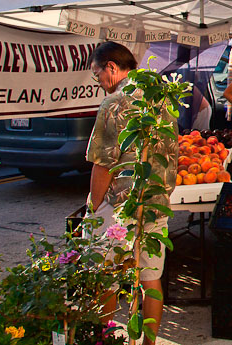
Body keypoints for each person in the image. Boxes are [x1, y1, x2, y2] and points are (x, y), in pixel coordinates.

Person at [85, 42, 178, 344]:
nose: (98, 81)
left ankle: (106, 339)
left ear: (111, 67)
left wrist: (93, 206)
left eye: (97, 73)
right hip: (155, 202)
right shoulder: (160, 98)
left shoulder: (114, 102)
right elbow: (172, 153)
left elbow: (103, 164)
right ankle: (149, 343)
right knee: (150, 279)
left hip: (120, 205)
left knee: (107, 277)